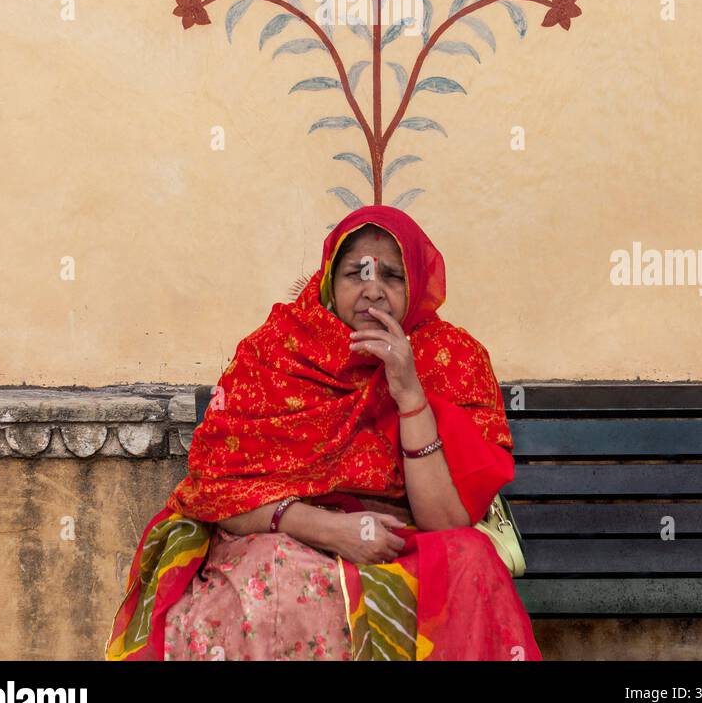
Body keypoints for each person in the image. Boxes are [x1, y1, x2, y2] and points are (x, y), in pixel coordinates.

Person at [105, 205, 541, 661]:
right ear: (330, 280)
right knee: (277, 580)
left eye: (392, 276)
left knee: (469, 560)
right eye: (357, 272)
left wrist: (410, 394)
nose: (373, 290)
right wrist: (332, 530)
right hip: (285, 532)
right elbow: (218, 493)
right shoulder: (275, 352)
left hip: (403, 544)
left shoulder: (450, 360)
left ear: (414, 286)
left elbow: (446, 523)